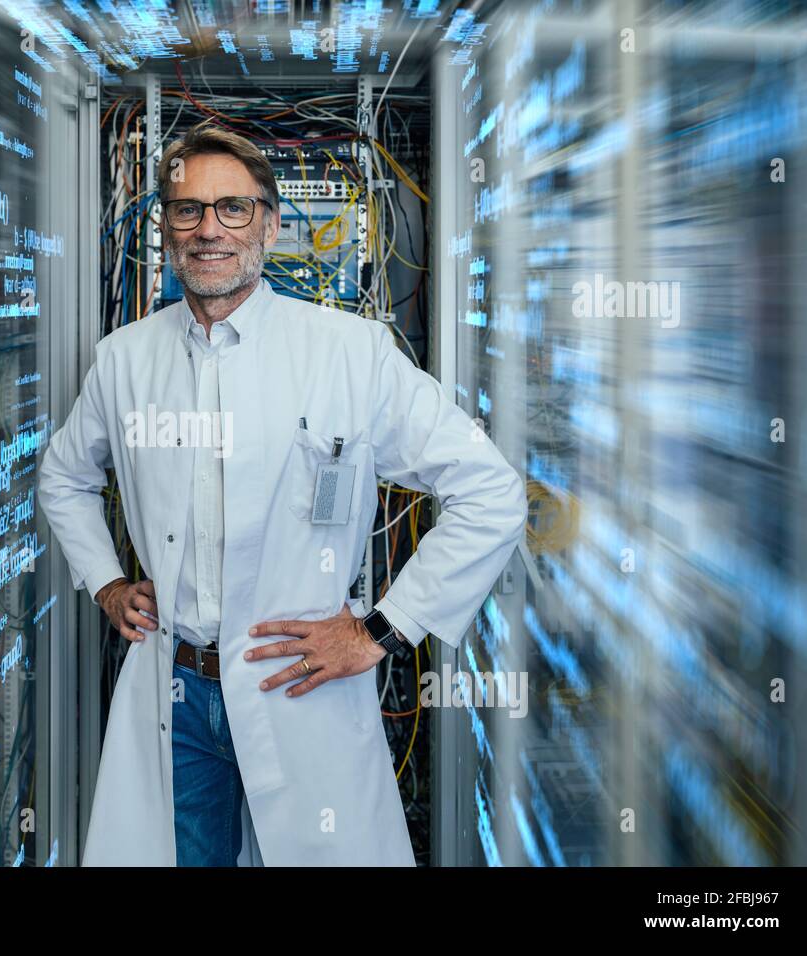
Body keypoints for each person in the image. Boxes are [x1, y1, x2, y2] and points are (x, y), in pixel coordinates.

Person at [37, 120, 527, 866]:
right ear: (165, 227)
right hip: (175, 693)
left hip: (297, 684)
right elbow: (64, 477)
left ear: (268, 222)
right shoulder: (123, 362)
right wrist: (105, 582)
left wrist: (381, 631)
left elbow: (490, 491)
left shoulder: (348, 354)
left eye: (232, 208)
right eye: (188, 209)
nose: (209, 230)